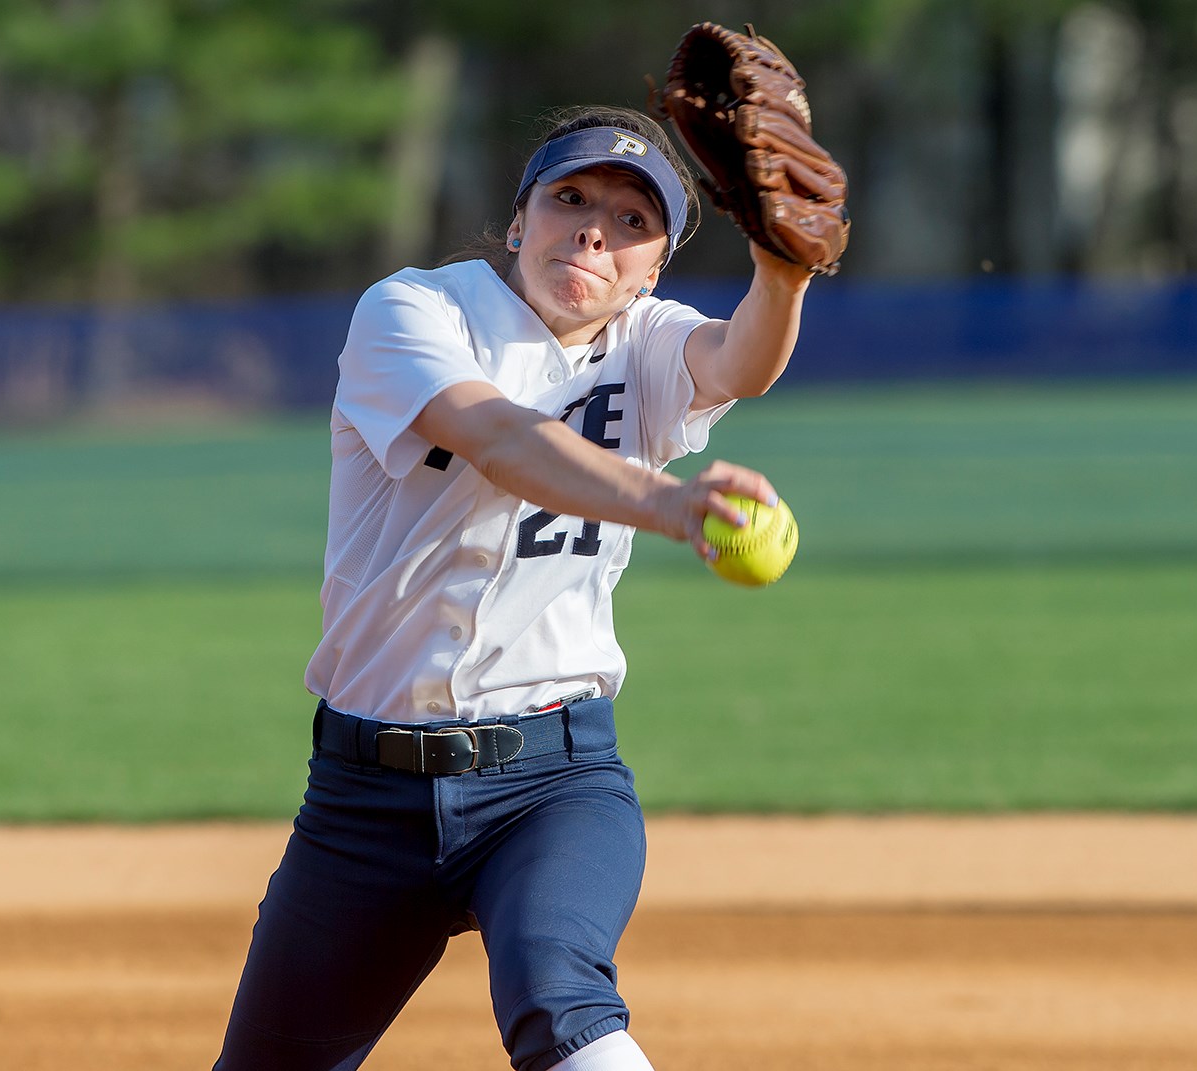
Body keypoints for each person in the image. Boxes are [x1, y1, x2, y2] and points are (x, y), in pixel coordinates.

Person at [213, 104, 819, 1071]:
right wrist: (669, 506)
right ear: (517, 222)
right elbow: (499, 439)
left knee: (560, 997)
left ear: (654, 269)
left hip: (554, 779)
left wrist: (781, 276)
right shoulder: (415, 313)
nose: (594, 231)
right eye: (570, 199)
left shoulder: (648, 341)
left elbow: (741, 359)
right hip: (364, 800)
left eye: (633, 222)